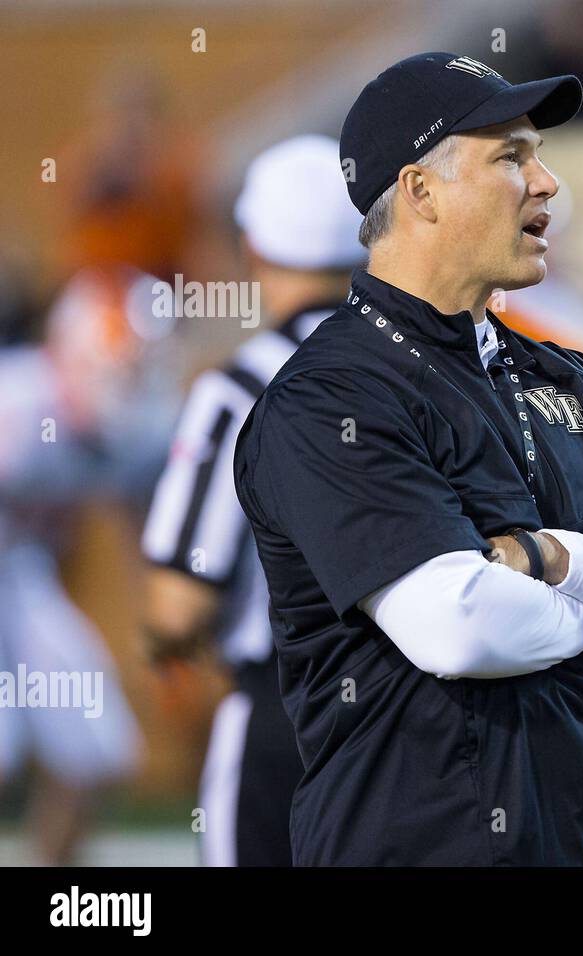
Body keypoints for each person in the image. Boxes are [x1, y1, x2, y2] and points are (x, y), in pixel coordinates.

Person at [231, 52, 583, 865]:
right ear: (420, 191)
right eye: (512, 157)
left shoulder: (559, 374)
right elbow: (456, 626)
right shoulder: (330, 399)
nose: (547, 183)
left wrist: (550, 556)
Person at [140, 135, 365, 866]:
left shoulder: (239, 390)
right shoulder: (424, 372)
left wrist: (169, 646)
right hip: (413, 714)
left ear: (252, 246)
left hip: (283, 710)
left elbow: (179, 603)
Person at [0, 265, 177, 864]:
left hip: (22, 576)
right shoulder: (18, 408)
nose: (134, 380)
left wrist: (163, 626)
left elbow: (145, 527)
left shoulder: (139, 430)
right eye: (123, 364)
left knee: (97, 749)